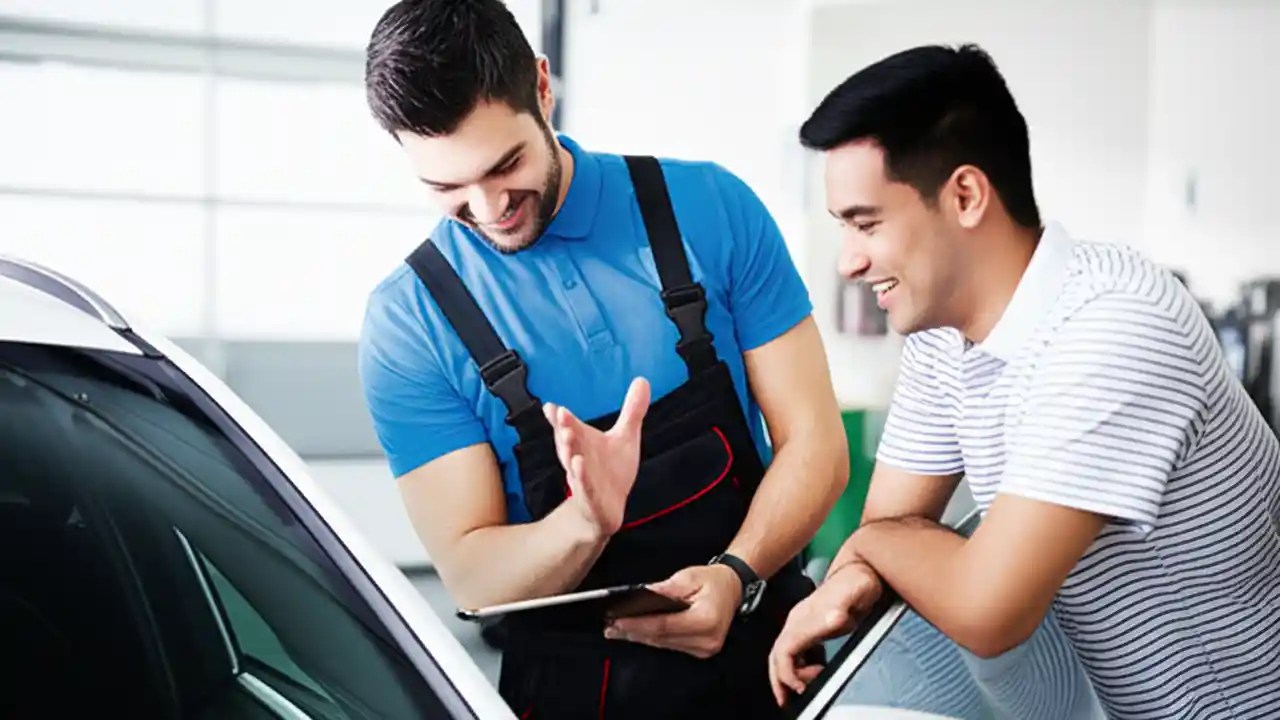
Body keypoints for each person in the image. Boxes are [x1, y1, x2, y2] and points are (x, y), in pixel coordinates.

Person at [356, 1, 849, 717]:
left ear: (543, 88)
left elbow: (818, 445)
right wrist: (585, 521)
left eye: (506, 165)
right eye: (447, 189)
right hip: (573, 694)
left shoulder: (711, 207)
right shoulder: (410, 322)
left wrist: (738, 575)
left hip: (770, 657)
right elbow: (471, 575)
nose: (490, 207)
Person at [766, 43, 1280, 719]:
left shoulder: (1111, 325)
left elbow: (987, 609)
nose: (849, 262)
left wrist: (864, 548)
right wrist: (870, 554)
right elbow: (894, 524)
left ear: (967, 196)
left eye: (867, 224)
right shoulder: (943, 335)